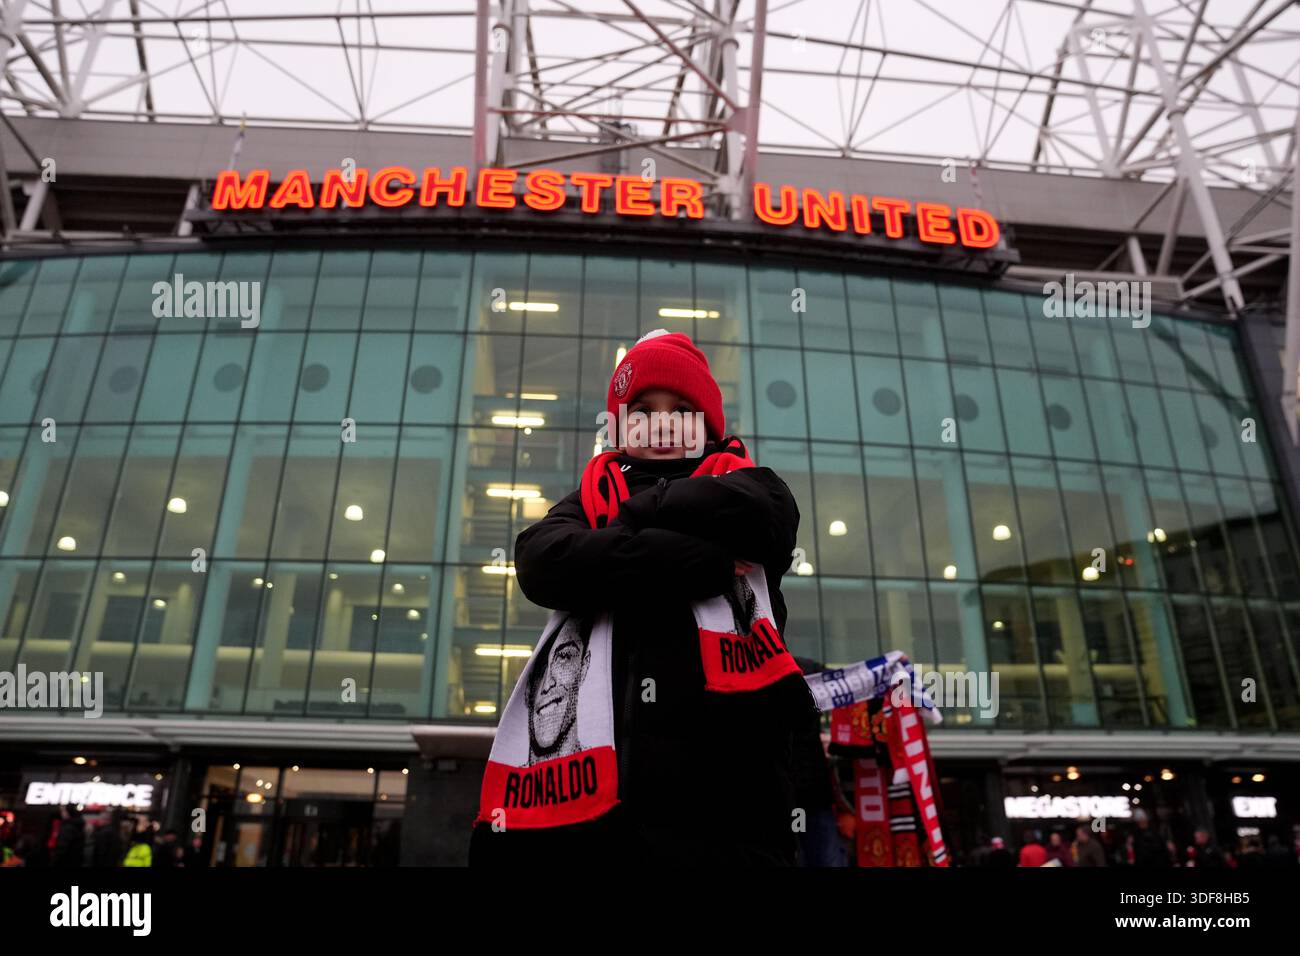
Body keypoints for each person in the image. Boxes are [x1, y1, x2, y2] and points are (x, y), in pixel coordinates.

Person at [469, 330, 810, 866]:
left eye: (682, 408)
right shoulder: (589, 494)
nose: (663, 422)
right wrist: (702, 562)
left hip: (734, 802)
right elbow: (542, 561)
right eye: (643, 409)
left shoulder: (753, 487)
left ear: (709, 423)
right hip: (609, 810)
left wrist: (642, 513)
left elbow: (762, 519)